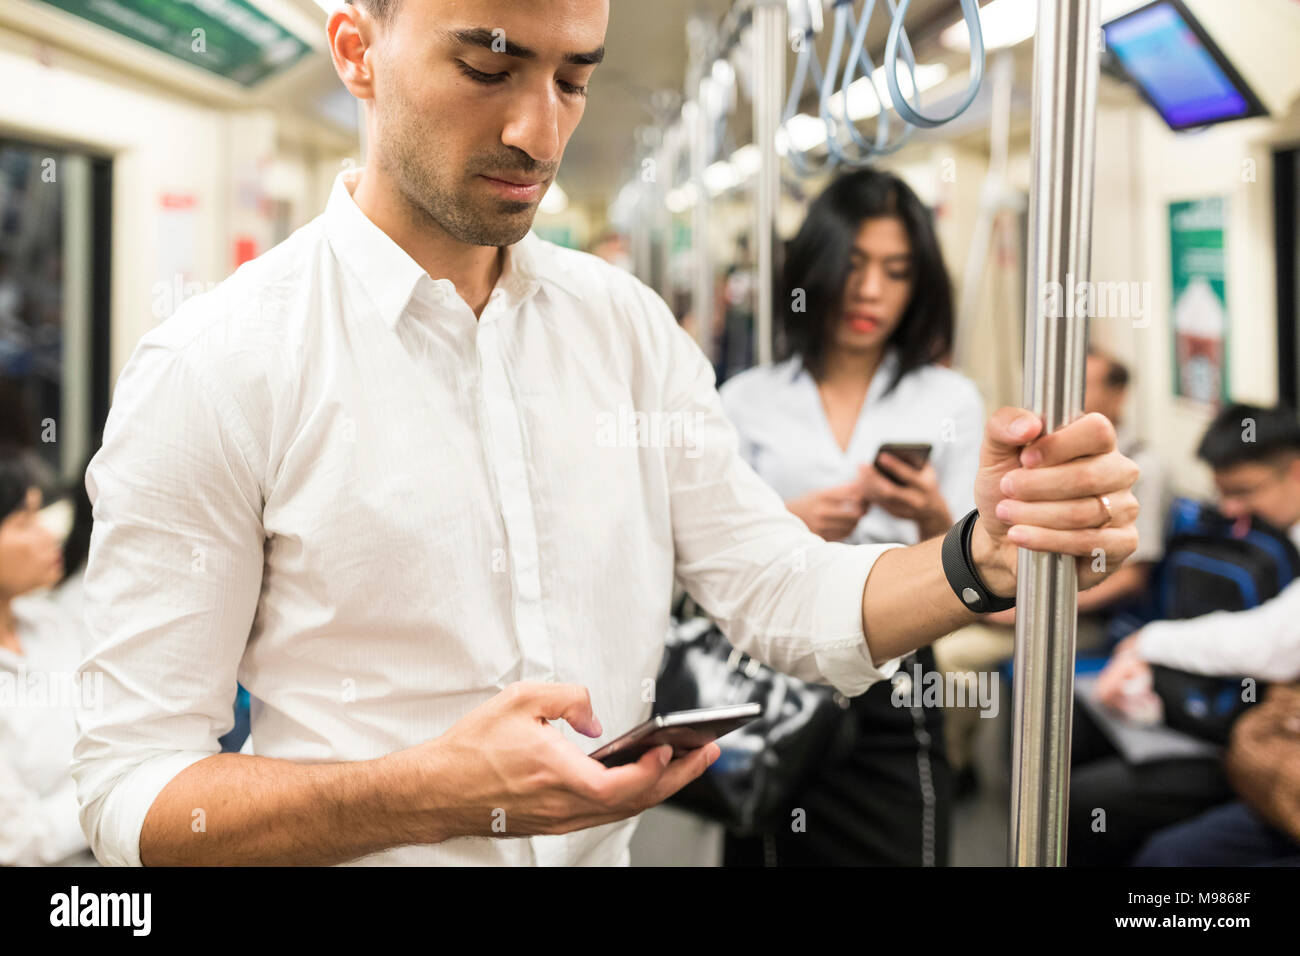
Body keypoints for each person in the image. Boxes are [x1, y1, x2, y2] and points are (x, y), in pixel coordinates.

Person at [72, 0, 1139, 868]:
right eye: (488, 67)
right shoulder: (217, 367)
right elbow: (134, 793)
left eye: (573, 78)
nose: (539, 131)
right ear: (358, 51)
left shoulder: (623, 329)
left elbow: (776, 590)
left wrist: (978, 555)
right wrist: (420, 794)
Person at [718, 168, 984, 865]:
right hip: (776, 666)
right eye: (854, 265)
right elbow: (710, 553)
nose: (870, 291)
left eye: (896, 272)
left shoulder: (949, 400)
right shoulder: (748, 399)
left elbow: (977, 569)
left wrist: (931, 514)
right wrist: (788, 522)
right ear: (817, 266)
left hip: (897, 663)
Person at [1068, 403, 1300, 866]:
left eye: (1245, 491)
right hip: (1244, 712)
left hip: (1265, 739)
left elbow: (1274, 646)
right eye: (1223, 494)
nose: (1233, 510)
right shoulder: (1269, 535)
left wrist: (1150, 641)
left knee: (1108, 817)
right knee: (1072, 728)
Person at [0, 446, 95, 865]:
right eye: (24, 522)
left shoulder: (52, 622)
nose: (48, 534)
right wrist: (116, 792)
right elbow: (17, 839)